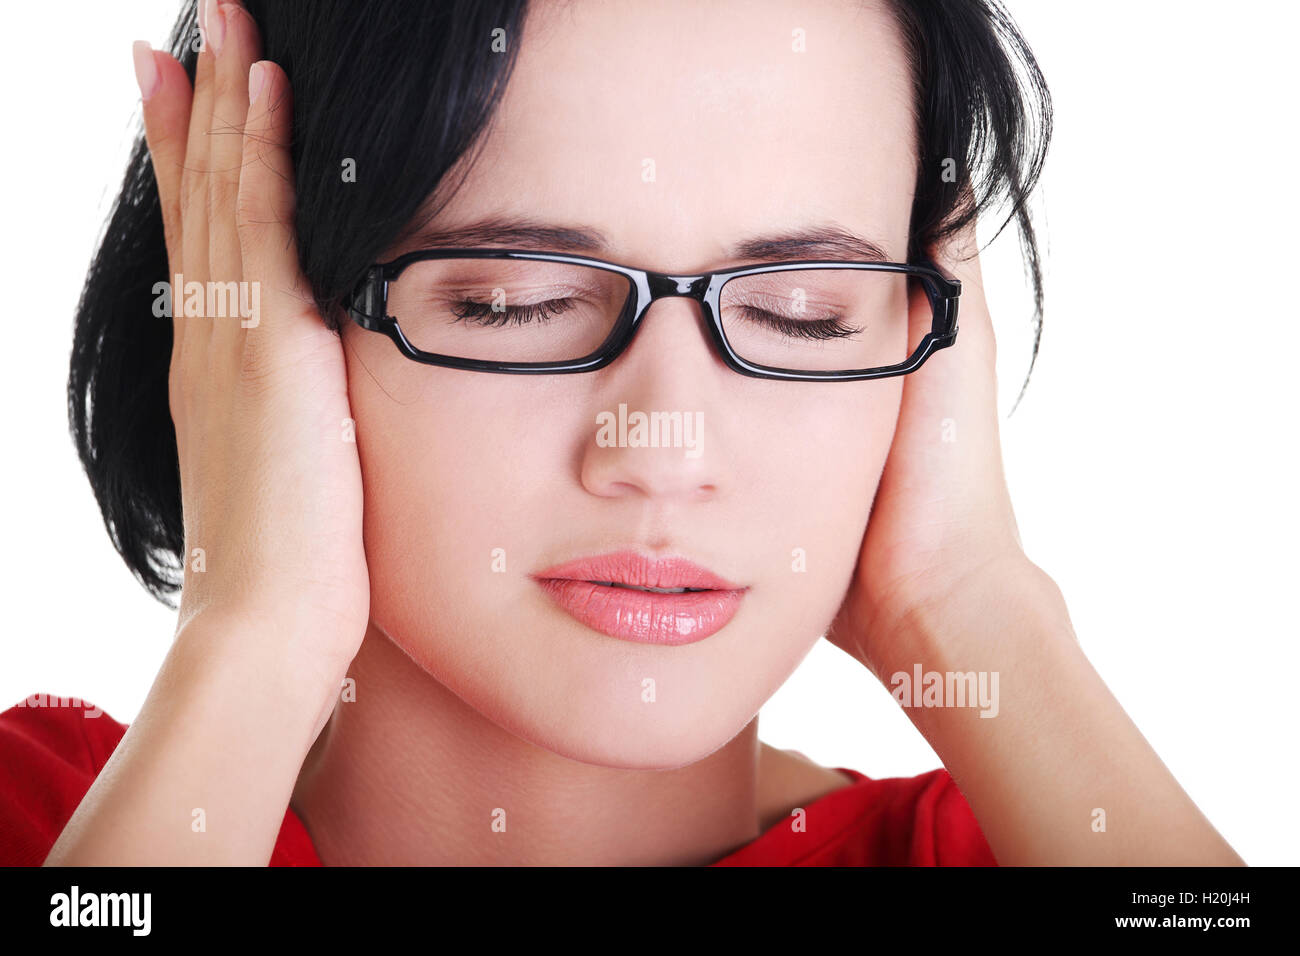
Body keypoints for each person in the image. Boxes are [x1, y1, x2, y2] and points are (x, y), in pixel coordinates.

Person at [2, 0, 1242, 865]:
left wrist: (979, 610)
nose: (662, 441)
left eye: (804, 315)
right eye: (514, 301)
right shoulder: (61, 828)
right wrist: (252, 640)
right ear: (264, 317)